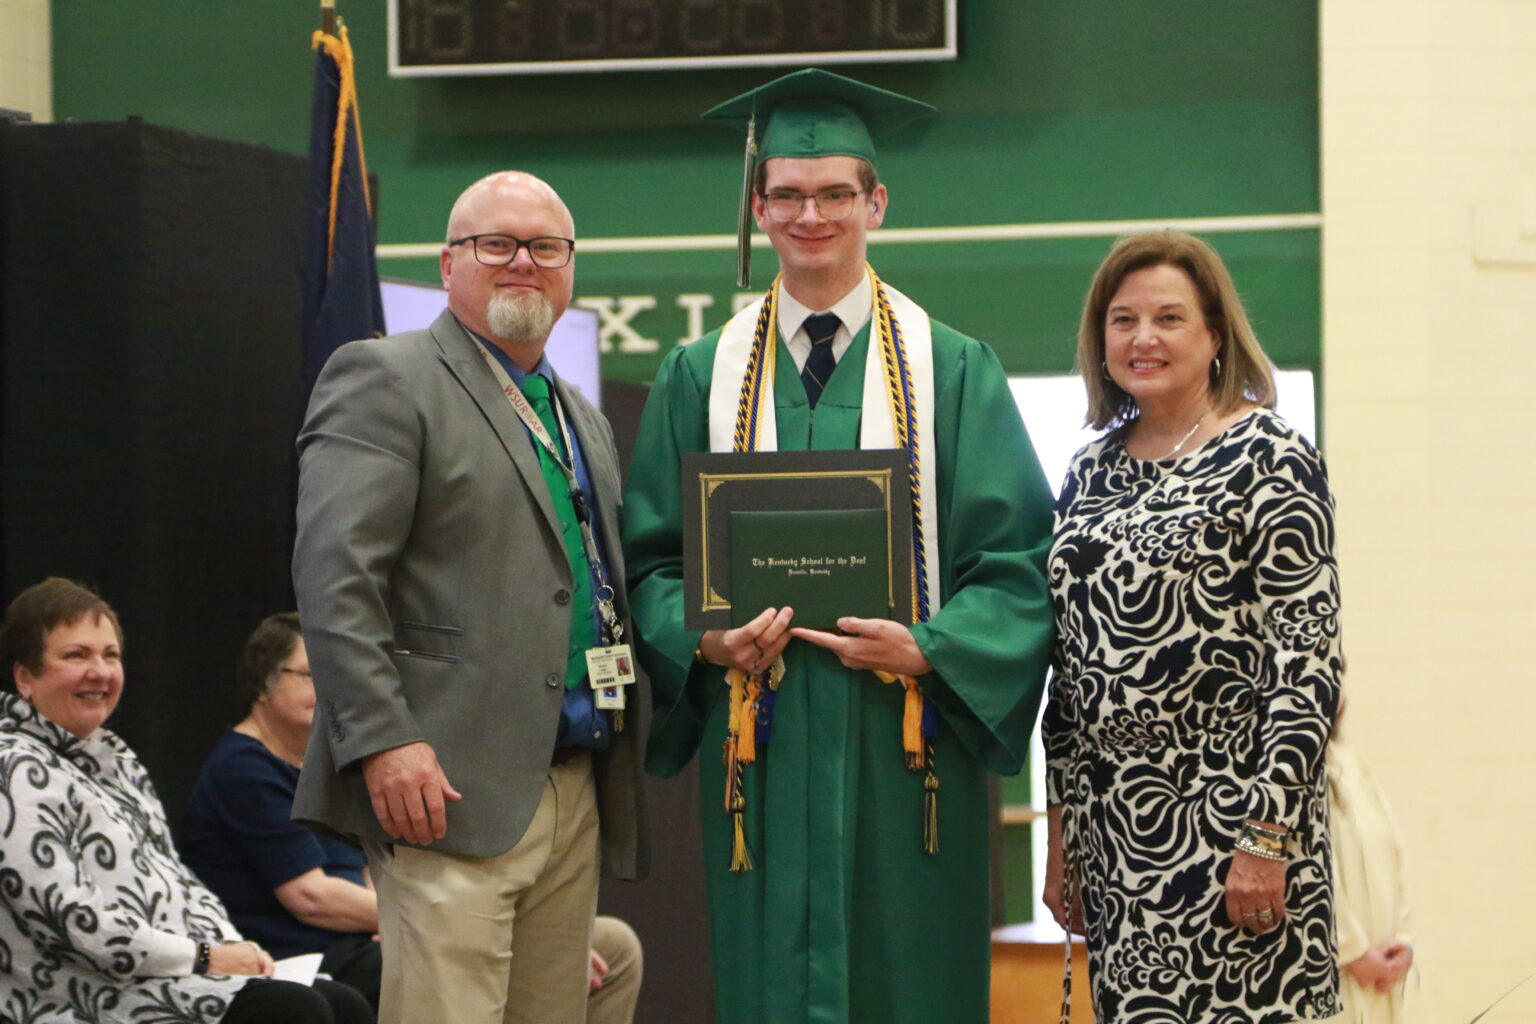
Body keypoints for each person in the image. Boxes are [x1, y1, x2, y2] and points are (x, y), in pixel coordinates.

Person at [623, 69, 1055, 1024]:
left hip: (905, 741)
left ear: (876, 203)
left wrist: (932, 648)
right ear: (759, 206)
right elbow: (652, 560)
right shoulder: (702, 373)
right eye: (786, 194)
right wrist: (705, 637)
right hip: (764, 740)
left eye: (833, 194)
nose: (809, 214)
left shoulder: (951, 369)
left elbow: (1017, 561)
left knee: (909, 986)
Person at [291, 171, 647, 1024]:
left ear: (570, 270)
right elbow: (335, 576)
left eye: (546, 247)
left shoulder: (578, 415)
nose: (523, 262)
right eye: (498, 244)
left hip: (571, 781)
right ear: (450, 265)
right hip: (440, 784)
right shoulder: (386, 377)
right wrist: (383, 741)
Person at [1043, 230, 1342, 1022]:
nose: (1143, 338)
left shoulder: (1268, 454)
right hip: (1117, 843)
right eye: (1123, 320)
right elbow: (1069, 677)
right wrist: (1061, 832)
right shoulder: (1090, 470)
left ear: (1215, 335)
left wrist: (1267, 839)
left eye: (1169, 318)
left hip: (1236, 832)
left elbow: (1306, 661)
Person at [183, 613, 645, 1023]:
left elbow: (365, 867)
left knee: (613, 945)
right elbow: (311, 896)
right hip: (301, 951)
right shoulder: (242, 767)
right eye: (309, 674)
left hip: (361, 935)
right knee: (462, 947)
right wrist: (396, 918)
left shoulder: (317, 761)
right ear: (262, 685)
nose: (326, 686)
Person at [0, 577, 371, 1024]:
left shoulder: (115, 758)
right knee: (292, 1010)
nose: (99, 671)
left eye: (110, 655)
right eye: (76, 655)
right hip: (77, 990)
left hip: (158, 974)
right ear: (26, 676)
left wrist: (236, 949)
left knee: (342, 1004)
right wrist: (202, 957)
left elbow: (178, 881)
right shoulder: (13, 765)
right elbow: (71, 919)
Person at [1328, 706, 1413, 1022]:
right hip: (1333, 972)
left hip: (1381, 970)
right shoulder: (1289, 772)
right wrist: (1353, 952)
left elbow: (1395, 850)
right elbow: (1310, 870)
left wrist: (1403, 942)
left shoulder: (1351, 763)